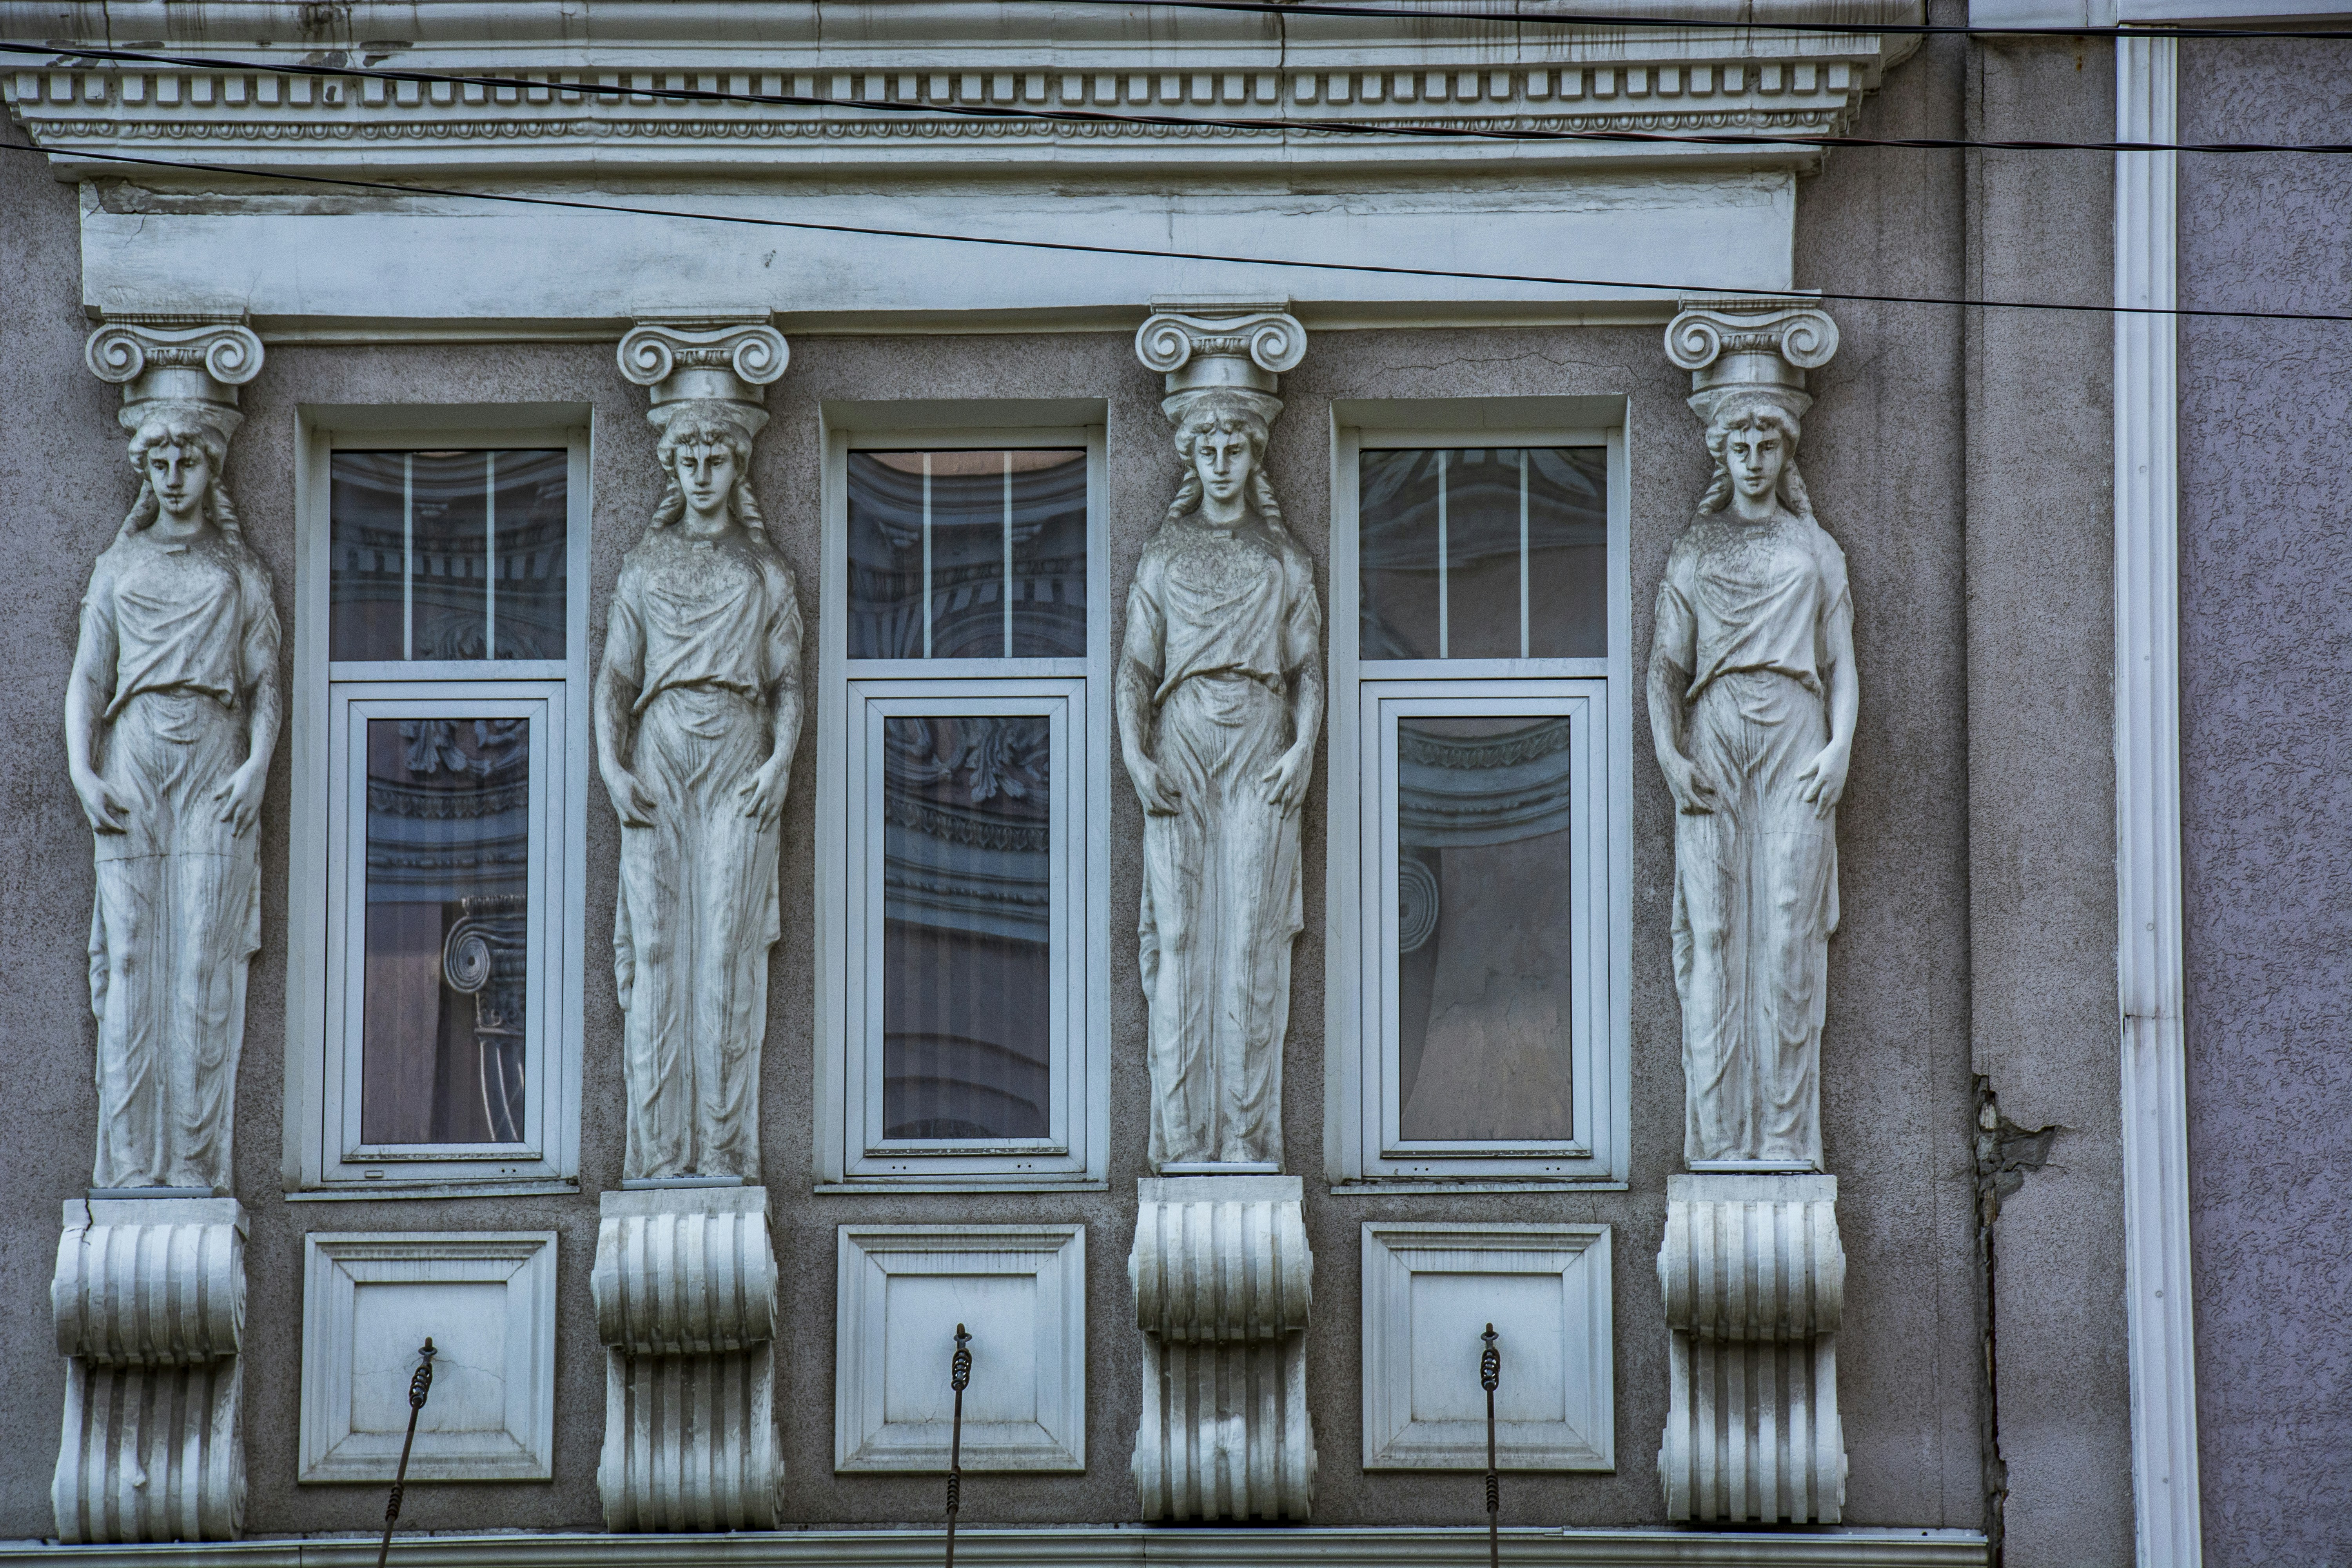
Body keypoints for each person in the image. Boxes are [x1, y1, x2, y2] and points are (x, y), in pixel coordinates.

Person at [66, 404, 281, 1192]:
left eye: (187, 461)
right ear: (145, 471)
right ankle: (130, 1164)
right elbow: (90, 678)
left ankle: (191, 1159)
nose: (174, 476)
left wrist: (258, 764)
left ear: (209, 467)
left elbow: (264, 682)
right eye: (159, 463)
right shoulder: (116, 568)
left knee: (200, 958)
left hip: (215, 756)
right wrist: (83, 771)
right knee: (128, 955)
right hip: (135, 753)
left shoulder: (237, 570)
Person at [1647, 388, 1857, 1169]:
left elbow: (1842, 666)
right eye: (1740, 445)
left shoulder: (1814, 549)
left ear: (1785, 451)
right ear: (1723, 454)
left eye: (1768, 444)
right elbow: (1666, 670)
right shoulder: (1697, 549)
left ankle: (1782, 1134)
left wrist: (1840, 748)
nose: (1755, 459)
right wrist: (1670, 754)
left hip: (1797, 729)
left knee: (1787, 925)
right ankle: (1718, 1139)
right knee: (1713, 933)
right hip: (1716, 731)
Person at [595, 401, 802, 1181]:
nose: (703, 474)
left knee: (725, 950)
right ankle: (657, 1153)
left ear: (734, 466)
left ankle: (720, 1148)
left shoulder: (763, 572)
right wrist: (614, 768)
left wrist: (780, 762)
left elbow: (787, 684)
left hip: (738, 750)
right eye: (690, 461)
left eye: (716, 460)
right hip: (660, 750)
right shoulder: (645, 568)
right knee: (656, 950)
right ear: (675, 469)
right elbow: (615, 681)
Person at [1117, 391, 1322, 1169]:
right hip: (1182, 742)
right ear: (1193, 458)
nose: (1222, 463)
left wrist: (1303, 748)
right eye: (1208, 450)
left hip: (1262, 737)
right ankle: (1182, 1138)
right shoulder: (1165, 557)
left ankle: (1243, 1136)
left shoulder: (1283, 560)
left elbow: (1306, 669)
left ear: (1254, 455)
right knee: (1179, 937)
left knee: (1249, 942)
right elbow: (1136, 670)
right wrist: (1136, 755)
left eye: (1235, 448)